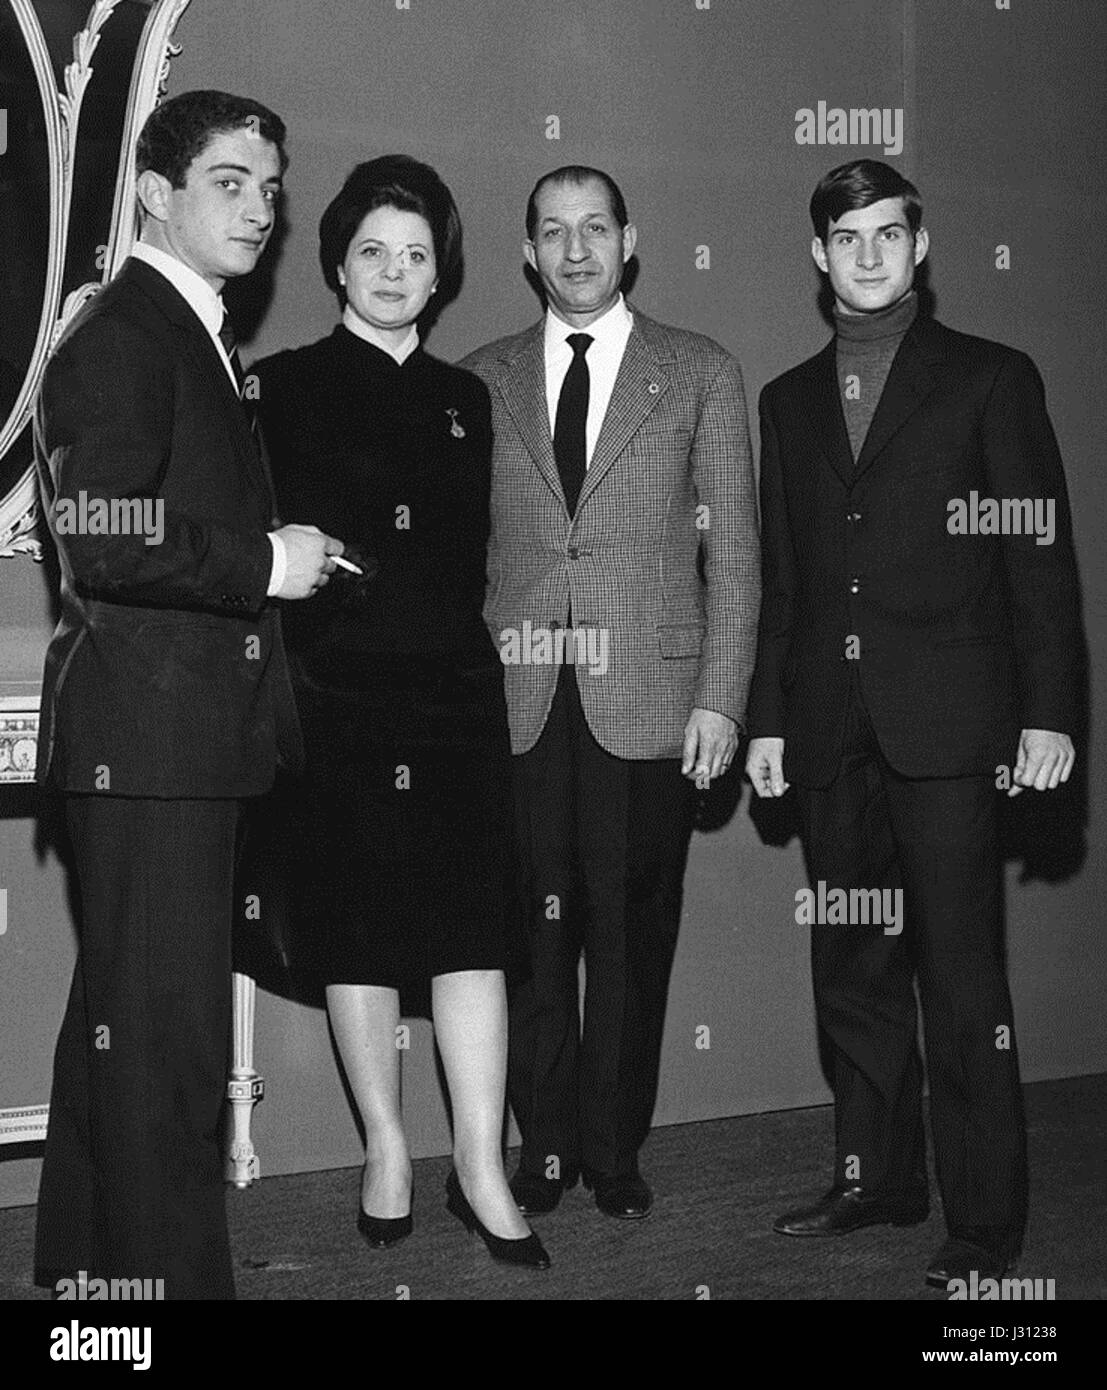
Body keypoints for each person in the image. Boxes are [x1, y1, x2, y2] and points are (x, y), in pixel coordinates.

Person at [745, 159, 1082, 1288]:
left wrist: (1050, 715)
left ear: (922, 245)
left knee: (963, 981)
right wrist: (768, 722)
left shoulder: (992, 379)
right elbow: (784, 581)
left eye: (891, 233)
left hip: (953, 732)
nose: (871, 254)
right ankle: (874, 1176)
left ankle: (983, 1223)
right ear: (820, 255)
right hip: (832, 732)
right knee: (852, 967)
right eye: (849, 237)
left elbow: (1039, 562)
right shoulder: (786, 401)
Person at [33, 90, 343, 1300]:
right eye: (230, 181)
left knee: (116, 1031)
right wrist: (273, 559)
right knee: (167, 1058)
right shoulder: (129, 332)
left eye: (271, 186)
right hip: (152, 746)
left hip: (168, 745)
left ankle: (85, 1292)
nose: (260, 207)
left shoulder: (183, 328)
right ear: (156, 193)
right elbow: (105, 534)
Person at [252, 156, 548, 1270]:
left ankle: (481, 1167)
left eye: (417, 255)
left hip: (457, 702)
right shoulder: (278, 388)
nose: (394, 271)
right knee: (360, 935)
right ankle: (385, 1147)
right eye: (373, 250)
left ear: (442, 275)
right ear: (335, 260)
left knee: (475, 938)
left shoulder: (465, 398)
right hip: (338, 704)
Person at [462, 166, 760, 1220]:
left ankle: (613, 1147)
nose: (576, 248)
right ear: (529, 252)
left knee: (633, 936)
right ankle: (542, 1149)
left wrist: (722, 699)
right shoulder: (481, 376)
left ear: (630, 241)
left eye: (596, 228)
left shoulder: (699, 371)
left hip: (654, 697)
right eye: (554, 230)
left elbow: (739, 556)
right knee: (533, 934)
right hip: (522, 699)